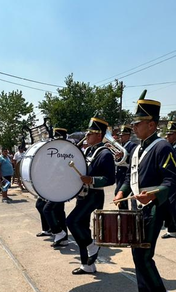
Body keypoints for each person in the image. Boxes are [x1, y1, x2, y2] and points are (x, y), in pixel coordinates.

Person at [114, 92, 176, 292]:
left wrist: (152, 195)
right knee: (136, 252)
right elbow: (129, 176)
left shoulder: (162, 148)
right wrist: (123, 190)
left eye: (138, 123)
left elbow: (172, 181)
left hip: (153, 207)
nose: (133, 127)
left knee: (144, 254)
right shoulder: (137, 148)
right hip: (137, 207)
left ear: (151, 124)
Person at [68, 117, 116, 274]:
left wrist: (92, 180)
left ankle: (92, 245)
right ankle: (87, 265)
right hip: (83, 195)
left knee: (72, 222)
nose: (86, 136)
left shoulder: (105, 154)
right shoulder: (88, 150)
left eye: (90, 134)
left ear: (99, 135)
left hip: (94, 195)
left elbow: (110, 179)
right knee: (81, 226)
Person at [45, 128, 70, 247]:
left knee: (47, 209)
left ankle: (58, 232)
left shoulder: (67, 151)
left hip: (61, 187)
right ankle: (63, 238)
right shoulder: (59, 151)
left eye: (57, 137)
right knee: (59, 212)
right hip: (57, 186)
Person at [112, 125, 137, 212]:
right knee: (119, 192)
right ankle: (123, 211)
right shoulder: (120, 145)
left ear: (128, 136)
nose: (121, 137)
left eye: (123, 135)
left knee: (119, 192)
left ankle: (124, 211)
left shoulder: (132, 145)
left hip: (126, 172)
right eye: (120, 135)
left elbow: (133, 158)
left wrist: (123, 156)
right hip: (119, 172)